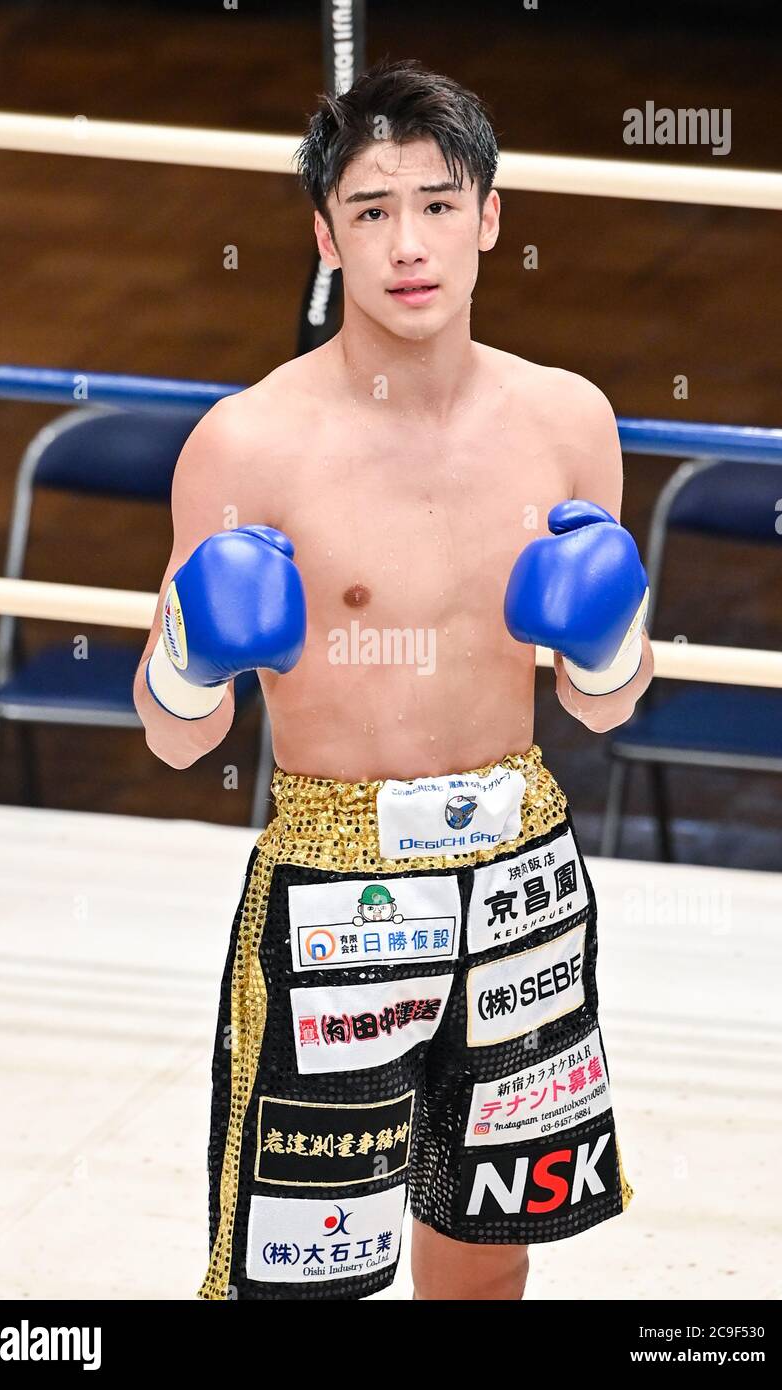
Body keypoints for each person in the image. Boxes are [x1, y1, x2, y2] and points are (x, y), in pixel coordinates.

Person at [133, 57, 654, 1302]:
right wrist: (193, 655)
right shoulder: (245, 442)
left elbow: (606, 706)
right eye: (371, 211)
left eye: (436, 203)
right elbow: (170, 739)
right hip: (334, 881)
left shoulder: (568, 420)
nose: (407, 244)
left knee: (487, 1258)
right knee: (301, 1278)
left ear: (489, 219)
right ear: (325, 236)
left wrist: (600, 643)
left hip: (519, 869)